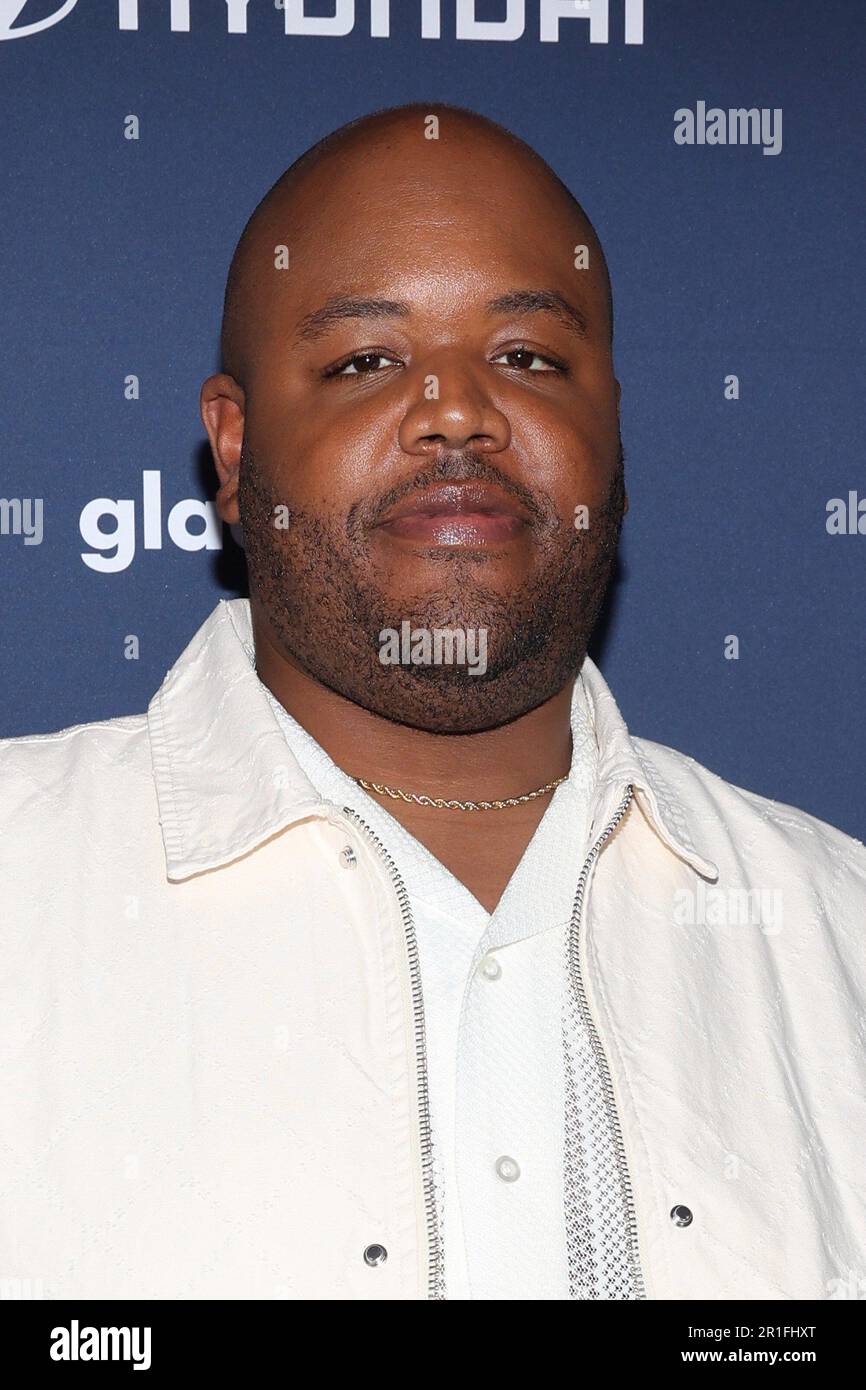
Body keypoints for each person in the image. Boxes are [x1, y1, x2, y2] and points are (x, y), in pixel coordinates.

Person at [2, 102, 864, 1302]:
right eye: (365, 360)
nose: (456, 410)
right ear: (235, 449)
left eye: (526, 357)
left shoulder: (835, 938)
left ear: (610, 424)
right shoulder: (19, 891)